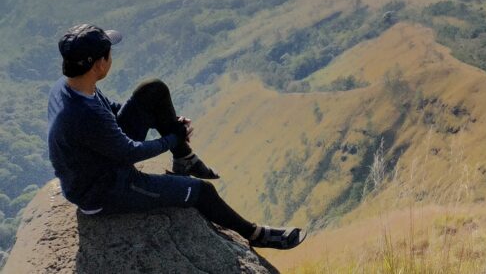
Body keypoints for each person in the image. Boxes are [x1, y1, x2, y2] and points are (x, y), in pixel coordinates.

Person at [47, 23, 306, 250]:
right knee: (202, 191)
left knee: (153, 91)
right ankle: (255, 234)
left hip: (100, 159)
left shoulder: (69, 87)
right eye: (109, 53)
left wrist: (171, 127)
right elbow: (130, 152)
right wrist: (173, 136)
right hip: (105, 189)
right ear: (99, 63)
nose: (112, 57)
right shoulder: (84, 112)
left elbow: (109, 112)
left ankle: (185, 159)